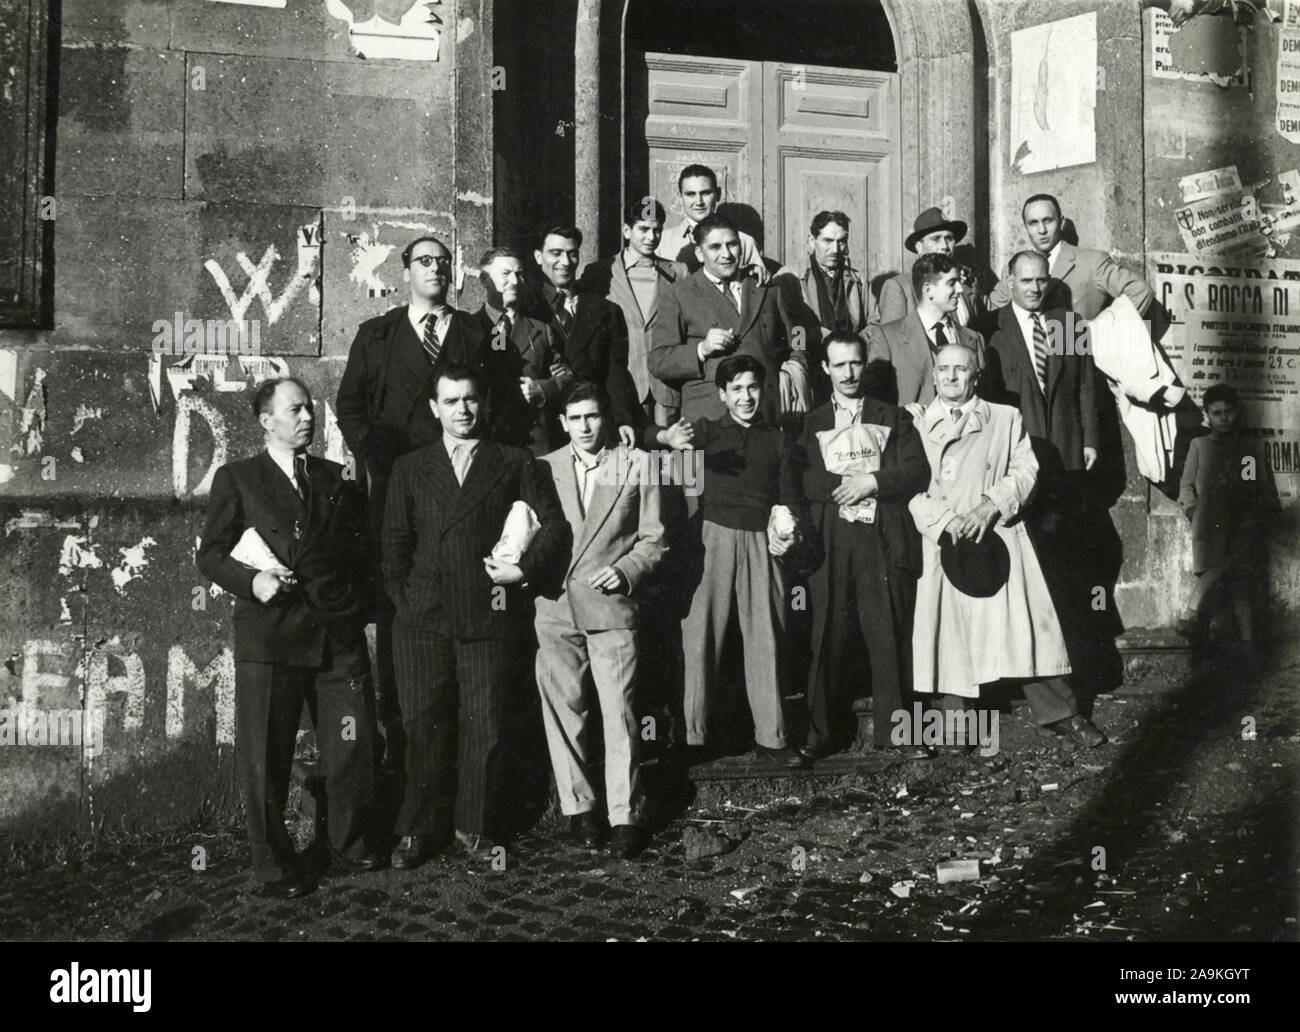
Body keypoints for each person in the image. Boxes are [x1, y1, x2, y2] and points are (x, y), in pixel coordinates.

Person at [197, 377, 385, 899]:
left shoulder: (334, 478)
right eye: (296, 410)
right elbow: (209, 554)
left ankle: (347, 843)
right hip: (271, 635)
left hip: (335, 634)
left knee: (353, 742)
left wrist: (355, 608)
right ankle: (273, 867)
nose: (308, 418)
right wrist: (252, 580)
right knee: (266, 756)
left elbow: (359, 551)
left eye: (310, 409)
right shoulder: (238, 478)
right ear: (266, 421)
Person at [381, 363, 567, 868]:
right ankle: (417, 829)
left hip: (488, 615)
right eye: (452, 401)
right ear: (434, 408)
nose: (463, 410)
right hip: (423, 620)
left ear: (482, 403)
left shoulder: (513, 461)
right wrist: (408, 602)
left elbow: (552, 526)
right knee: (423, 727)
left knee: (484, 727)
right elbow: (395, 545)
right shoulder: (410, 468)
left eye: (470, 400)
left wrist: (522, 572)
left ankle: (475, 828)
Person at [909, 343, 1106, 748]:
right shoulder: (915, 424)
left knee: (1026, 628)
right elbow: (908, 487)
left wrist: (991, 506)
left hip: (997, 535)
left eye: (960, 370)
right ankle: (959, 726)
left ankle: (1061, 713)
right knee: (950, 633)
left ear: (975, 375)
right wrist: (945, 522)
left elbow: (1025, 469)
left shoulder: (1004, 417)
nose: (950, 377)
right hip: (946, 538)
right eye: (943, 369)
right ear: (932, 376)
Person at [336, 234, 484, 771]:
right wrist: (374, 453)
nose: (436, 270)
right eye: (425, 262)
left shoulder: (475, 332)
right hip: (395, 495)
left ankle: (466, 765)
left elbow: (501, 407)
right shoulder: (376, 335)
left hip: (463, 492)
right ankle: (401, 752)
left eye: (444, 263)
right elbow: (349, 404)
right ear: (405, 271)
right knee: (401, 604)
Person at [533, 382, 667, 859]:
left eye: (594, 417)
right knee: (565, 709)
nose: (586, 427)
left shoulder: (638, 464)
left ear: (606, 419)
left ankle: (624, 814)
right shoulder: (544, 468)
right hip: (554, 607)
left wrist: (626, 570)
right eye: (576, 419)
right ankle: (579, 807)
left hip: (610, 605)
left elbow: (654, 539)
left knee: (620, 713)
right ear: (563, 423)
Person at [792, 334, 931, 760]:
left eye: (855, 364)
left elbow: (916, 470)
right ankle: (820, 733)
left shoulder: (893, 417)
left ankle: (899, 731)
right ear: (825, 370)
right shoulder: (810, 422)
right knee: (826, 631)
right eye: (839, 366)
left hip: (879, 533)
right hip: (832, 534)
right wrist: (843, 485)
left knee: (886, 628)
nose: (848, 374)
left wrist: (872, 481)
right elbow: (798, 478)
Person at [668, 354, 809, 769]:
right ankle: (692, 736)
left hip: (760, 540)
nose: (746, 397)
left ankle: (773, 737)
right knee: (700, 636)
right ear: (722, 395)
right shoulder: (710, 431)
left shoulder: (778, 439)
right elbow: (663, 439)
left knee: (766, 635)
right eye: (737, 389)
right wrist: (666, 437)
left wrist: (788, 525)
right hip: (712, 538)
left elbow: (788, 494)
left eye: (753, 388)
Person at [649, 213, 812, 426]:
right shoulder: (679, 294)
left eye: (732, 245)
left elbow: (798, 331)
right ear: (699, 252)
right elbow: (658, 360)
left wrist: (795, 364)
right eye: (715, 247)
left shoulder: (766, 287)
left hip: (766, 414)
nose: (726, 254)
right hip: (710, 417)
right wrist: (701, 349)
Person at [1176, 384, 1280, 656]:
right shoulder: (1198, 446)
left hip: (1240, 526)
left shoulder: (1248, 449)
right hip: (1209, 526)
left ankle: (1202, 619)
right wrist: (1192, 511)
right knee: (1219, 570)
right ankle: (1207, 637)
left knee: (1239, 585)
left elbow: (1259, 488)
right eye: (1217, 412)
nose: (1224, 417)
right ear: (1207, 415)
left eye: (1228, 412)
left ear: (1237, 412)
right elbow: (1186, 486)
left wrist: (1253, 516)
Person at [580, 196, 691, 427]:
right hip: (619, 388)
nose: (651, 237)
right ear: (627, 231)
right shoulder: (600, 273)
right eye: (643, 229)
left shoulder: (678, 272)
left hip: (666, 389)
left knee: (666, 460)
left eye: (657, 230)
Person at [531, 223, 643, 441]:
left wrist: (622, 420)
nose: (565, 262)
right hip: (542, 426)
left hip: (591, 424)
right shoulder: (526, 306)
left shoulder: (606, 310)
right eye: (556, 253)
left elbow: (616, 373)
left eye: (572, 254)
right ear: (538, 256)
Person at [469, 247, 572, 455]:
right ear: (484, 280)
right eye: (506, 274)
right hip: (487, 442)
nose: (515, 282)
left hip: (535, 443)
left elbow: (566, 378)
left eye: (519, 274)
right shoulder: (468, 328)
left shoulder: (542, 329)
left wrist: (543, 389)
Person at [988, 194, 1154, 321]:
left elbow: (1139, 291)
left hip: (1077, 360)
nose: (1042, 230)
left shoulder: (1092, 261)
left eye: (1048, 221)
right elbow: (993, 311)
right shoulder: (1014, 267)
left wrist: (1100, 333)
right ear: (1025, 227)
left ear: (1060, 222)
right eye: (1033, 223)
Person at [864, 252, 986, 414]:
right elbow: (872, 401)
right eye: (952, 283)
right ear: (929, 290)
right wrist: (900, 412)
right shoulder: (887, 337)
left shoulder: (973, 338)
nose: (959, 290)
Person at [777, 210, 873, 404]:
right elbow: (792, 327)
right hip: (811, 367)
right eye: (827, 241)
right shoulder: (790, 277)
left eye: (841, 241)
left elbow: (875, 322)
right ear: (812, 241)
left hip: (851, 369)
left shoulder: (857, 279)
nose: (836, 249)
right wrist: (813, 342)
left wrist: (852, 344)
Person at [874, 206, 982, 328]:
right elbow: (891, 340)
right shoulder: (900, 288)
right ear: (919, 247)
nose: (944, 246)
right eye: (936, 239)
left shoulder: (964, 286)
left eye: (949, 238)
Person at [656, 163, 768, 281]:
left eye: (705, 193)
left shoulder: (745, 242)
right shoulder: (661, 243)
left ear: (718, 194)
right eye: (690, 194)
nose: (699, 202)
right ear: (680, 197)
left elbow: (757, 290)